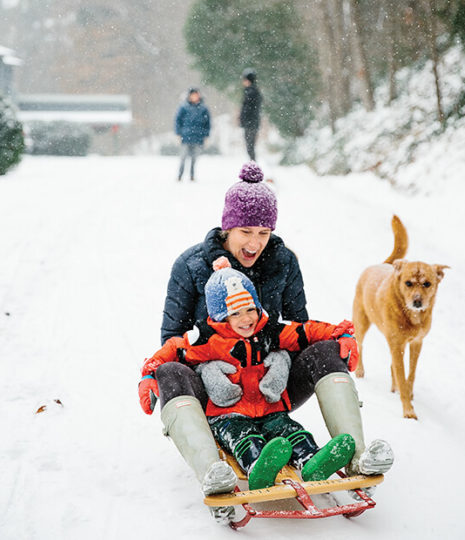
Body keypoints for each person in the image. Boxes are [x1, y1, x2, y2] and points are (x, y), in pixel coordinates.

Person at [139, 161, 392, 518]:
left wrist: (338, 336)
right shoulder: (192, 265)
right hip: (215, 390)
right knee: (170, 373)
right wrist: (170, 368)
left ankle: (356, 463)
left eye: (264, 232)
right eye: (246, 231)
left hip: (270, 385)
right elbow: (173, 338)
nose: (255, 242)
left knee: (323, 351)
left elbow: (299, 326)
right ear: (228, 227)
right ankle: (215, 473)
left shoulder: (282, 261)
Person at [140, 257, 358, 494]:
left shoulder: (269, 331)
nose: (246, 319)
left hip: (269, 408)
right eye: (235, 313)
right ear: (221, 317)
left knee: (290, 431)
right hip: (227, 414)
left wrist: (341, 334)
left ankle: (313, 461)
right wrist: (149, 374)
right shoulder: (206, 339)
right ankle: (258, 467)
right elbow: (172, 349)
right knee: (244, 438)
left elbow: (306, 331)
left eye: (250, 310)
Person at [174, 87, 211, 182]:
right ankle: (180, 175)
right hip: (185, 137)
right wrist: (178, 133)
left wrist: (206, 135)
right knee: (183, 158)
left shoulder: (203, 108)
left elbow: (207, 123)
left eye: (196, 94)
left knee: (194, 159)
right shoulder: (184, 107)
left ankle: (192, 175)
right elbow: (178, 121)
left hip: (198, 137)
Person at [239, 68, 262, 161]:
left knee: (250, 147)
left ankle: (253, 167)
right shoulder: (253, 91)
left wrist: (243, 119)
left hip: (250, 123)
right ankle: (253, 166)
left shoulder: (251, 93)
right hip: (252, 123)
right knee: (250, 147)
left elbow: (247, 109)